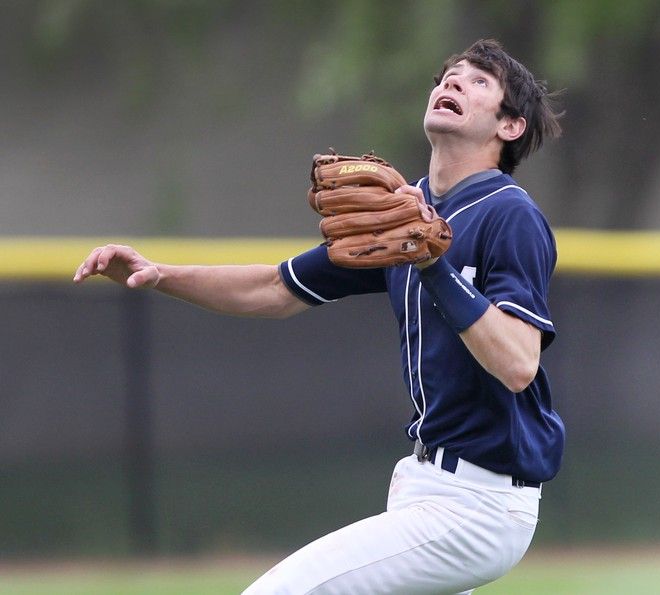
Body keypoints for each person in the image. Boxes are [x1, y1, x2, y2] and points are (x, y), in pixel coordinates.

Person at [74, 39, 565, 594]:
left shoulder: (509, 215)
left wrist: (433, 263)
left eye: (479, 81)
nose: (451, 83)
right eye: (448, 75)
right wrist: (160, 273)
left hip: (479, 503)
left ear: (511, 127)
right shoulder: (408, 211)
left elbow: (519, 363)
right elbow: (276, 287)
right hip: (422, 483)